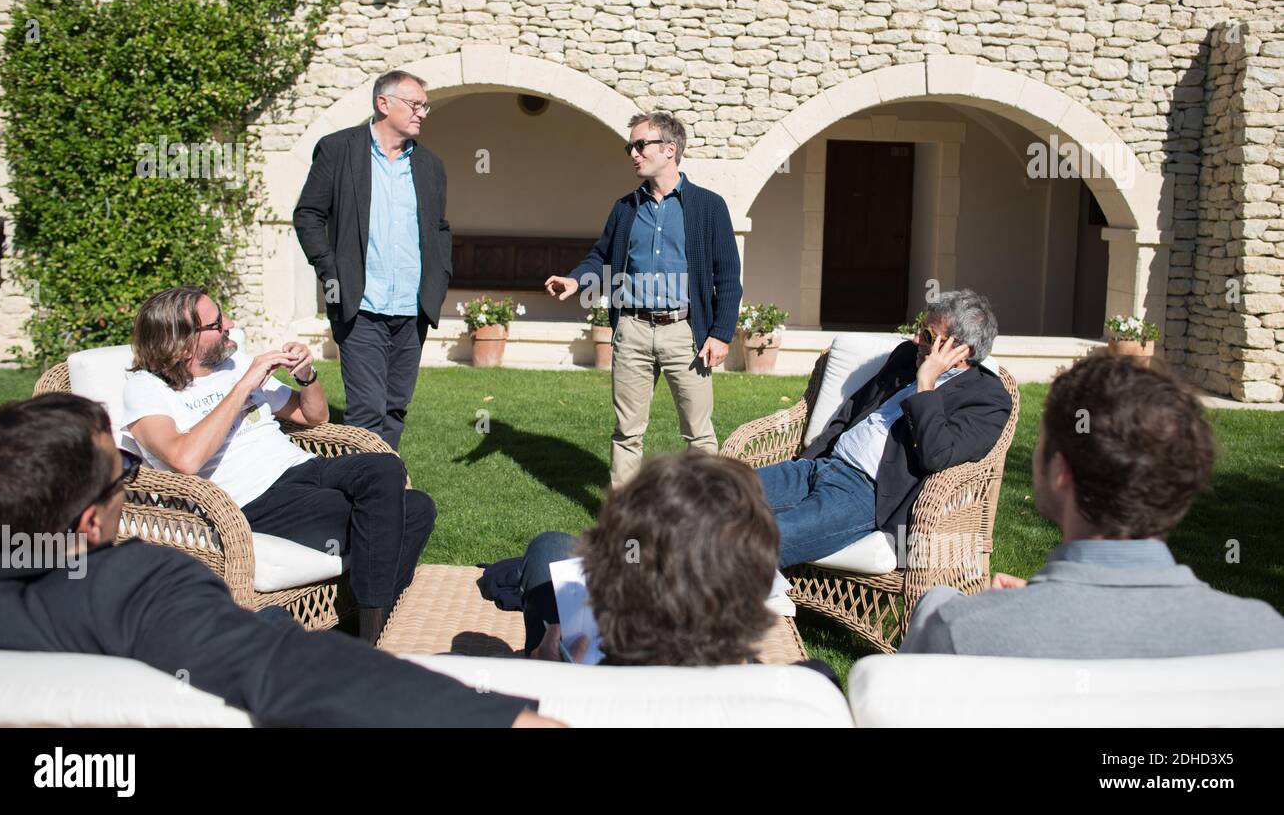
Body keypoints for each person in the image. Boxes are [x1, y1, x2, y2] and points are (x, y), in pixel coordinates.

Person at [0, 394, 557, 727]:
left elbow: (312, 413)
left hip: (299, 480)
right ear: (89, 523)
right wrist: (504, 718)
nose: (132, 484)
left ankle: (371, 607)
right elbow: (288, 666)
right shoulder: (130, 590)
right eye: (125, 476)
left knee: (398, 498)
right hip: (261, 510)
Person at [899, 352, 1284, 656]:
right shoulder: (1263, 637)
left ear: (1061, 472)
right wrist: (1066, 602)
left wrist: (1037, 608)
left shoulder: (955, 632)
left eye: (1041, 443)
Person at [121, 285, 434, 645]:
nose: (230, 324)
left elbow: (314, 416)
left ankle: (367, 633)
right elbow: (184, 460)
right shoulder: (146, 389)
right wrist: (243, 387)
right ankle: (374, 637)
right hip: (254, 501)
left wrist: (306, 375)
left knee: (385, 467)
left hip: (303, 468)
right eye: (218, 322)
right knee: (416, 508)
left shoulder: (233, 363)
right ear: (184, 344)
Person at [488, 451, 834, 684]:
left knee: (549, 546)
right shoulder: (810, 688)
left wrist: (546, 680)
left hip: (585, 673)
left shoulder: (564, 697)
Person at [544, 111, 742, 487]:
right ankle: (623, 514)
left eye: (639, 145)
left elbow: (728, 277)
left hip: (686, 333)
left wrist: (720, 333)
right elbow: (601, 257)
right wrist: (575, 280)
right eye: (630, 147)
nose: (633, 153)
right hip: (632, 330)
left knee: (698, 434)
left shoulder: (708, 206)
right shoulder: (625, 208)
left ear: (670, 149)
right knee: (626, 432)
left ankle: (704, 513)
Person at [757, 289, 1012, 568]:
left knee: (763, 540)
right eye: (920, 330)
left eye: (928, 336)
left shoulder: (988, 399)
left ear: (961, 350)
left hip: (863, 493)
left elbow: (936, 455)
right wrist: (812, 458)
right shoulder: (906, 357)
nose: (916, 340)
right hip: (819, 466)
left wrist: (926, 384)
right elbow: (853, 409)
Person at [293, 68, 452, 451]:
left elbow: (439, 227)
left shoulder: (430, 165)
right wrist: (330, 271)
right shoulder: (338, 149)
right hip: (360, 304)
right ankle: (364, 481)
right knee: (366, 410)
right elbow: (308, 214)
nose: (422, 113)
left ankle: (384, 479)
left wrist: (440, 276)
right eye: (415, 104)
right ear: (383, 103)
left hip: (412, 308)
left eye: (425, 106)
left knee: (395, 407)